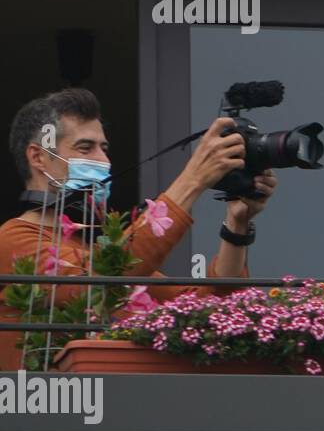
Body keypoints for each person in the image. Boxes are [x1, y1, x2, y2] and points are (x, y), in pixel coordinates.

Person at [0, 88, 277, 369]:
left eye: (104, 149)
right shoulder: (11, 239)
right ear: (38, 157)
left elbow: (208, 310)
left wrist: (237, 225)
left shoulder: (98, 249)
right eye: (85, 148)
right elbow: (98, 288)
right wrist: (193, 179)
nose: (103, 161)